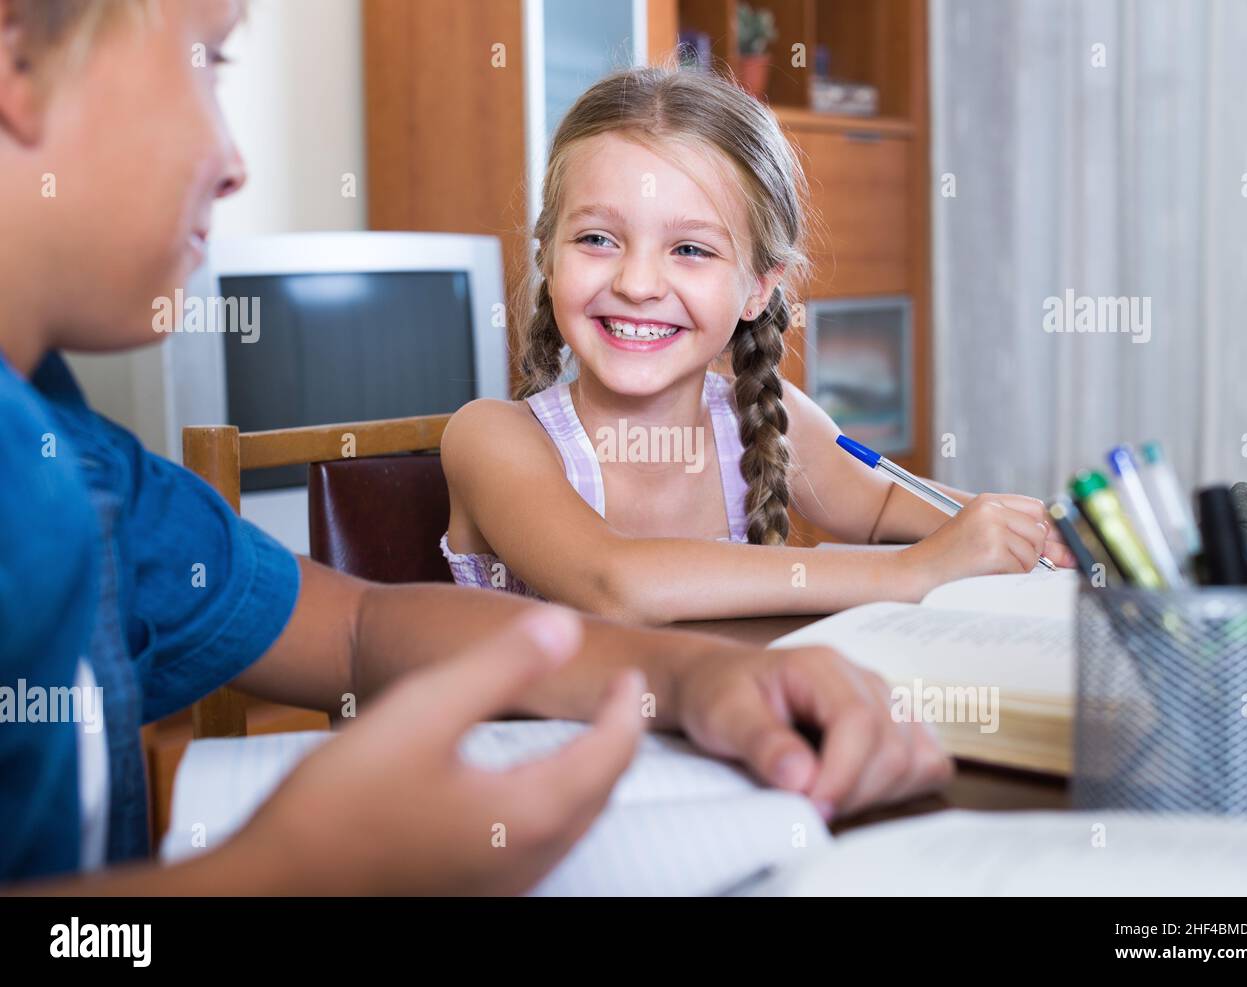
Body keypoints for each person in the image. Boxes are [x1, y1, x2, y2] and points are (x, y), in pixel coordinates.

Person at [0, 0, 951, 894]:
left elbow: (359, 627)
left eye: (690, 249)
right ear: (17, 58)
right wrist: (286, 871)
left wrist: (696, 676)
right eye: (208, 61)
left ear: (759, 286)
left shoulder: (71, 456)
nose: (233, 161)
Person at [441, 65, 1073, 622]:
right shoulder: (491, 438)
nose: (636, 284)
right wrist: (913, 572)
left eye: (690, 249)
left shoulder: (764, 419)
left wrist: (1027, 528)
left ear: (757, 289)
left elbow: (880, 504)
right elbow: (614, 582)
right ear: (548, 256)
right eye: (598, 239)